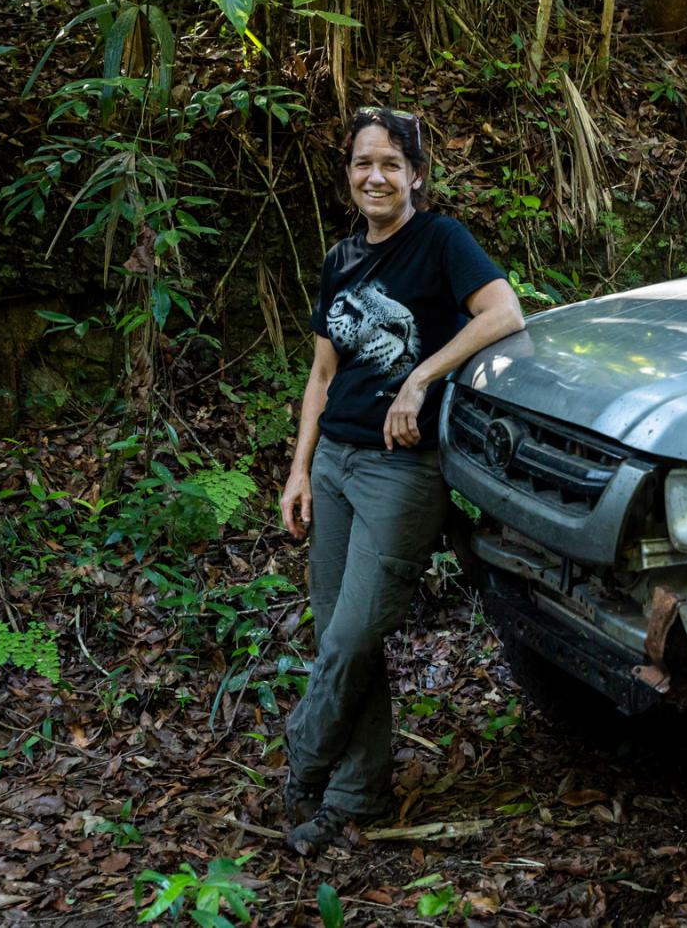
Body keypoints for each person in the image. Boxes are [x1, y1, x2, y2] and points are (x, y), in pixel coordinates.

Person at [277, 107, 524, 855]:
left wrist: (420, 379)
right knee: (339, 638)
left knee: (354, 635)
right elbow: (323, 375)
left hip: (401, 470)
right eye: (363, 163)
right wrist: (299, 469)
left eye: (392, 163)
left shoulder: (441, 241)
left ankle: (303, 757)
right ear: (349, 174)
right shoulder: (341, 258)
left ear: (416, 174)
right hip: (334, 464)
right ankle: (357, 794)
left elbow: (504, 312)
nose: (376, 176)